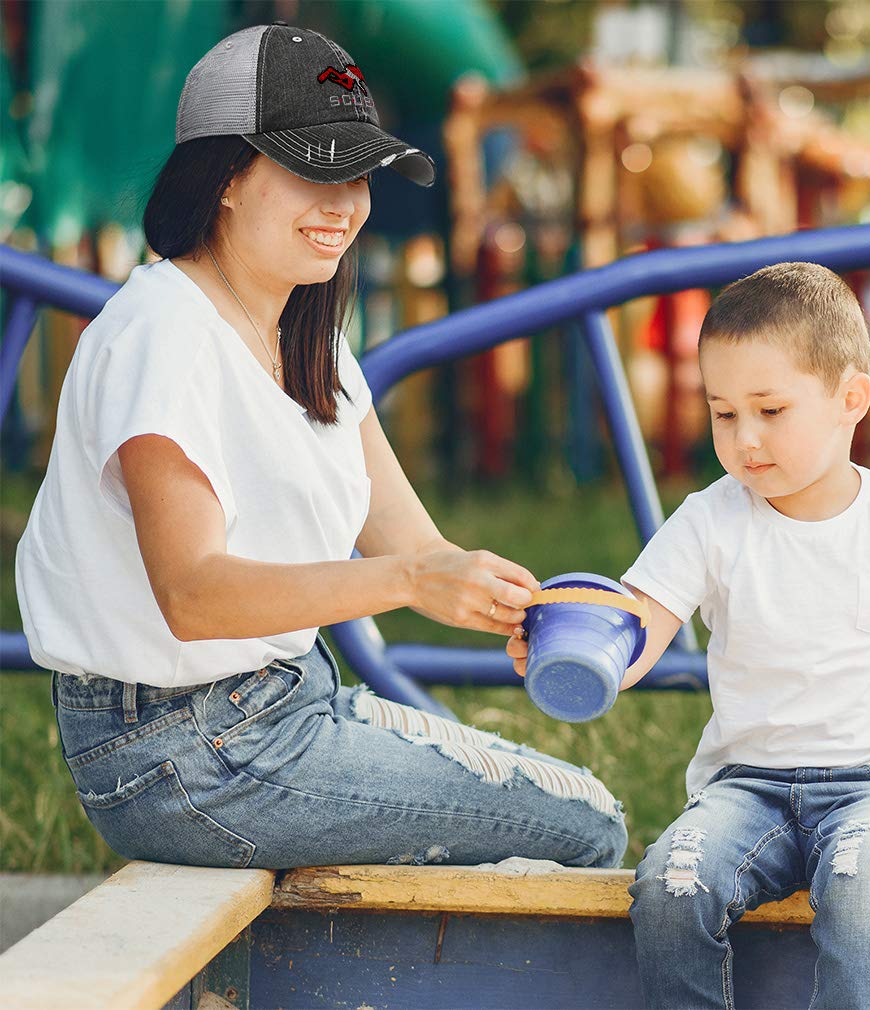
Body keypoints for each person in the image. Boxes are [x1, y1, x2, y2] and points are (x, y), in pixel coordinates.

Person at [15, 23, 627, 872]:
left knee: (588, 809)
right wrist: (410, 583)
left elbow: (412, 544)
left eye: (361, 173)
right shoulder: (163, 334)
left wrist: (510, 605)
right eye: (316, 168)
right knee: (582, 832)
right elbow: (193, 595)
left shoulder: (308, 333)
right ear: (226, 176)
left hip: (282, 709)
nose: (346, 204)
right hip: (181, 755)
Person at [507, 262, 870, 1008]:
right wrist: (579, 651)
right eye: (724, 413)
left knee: (862, 889)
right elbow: (640, 626)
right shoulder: (710, 518)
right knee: (670, 885)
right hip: (747, 791)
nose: (745, 438)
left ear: (849, 399)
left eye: (770, 410)